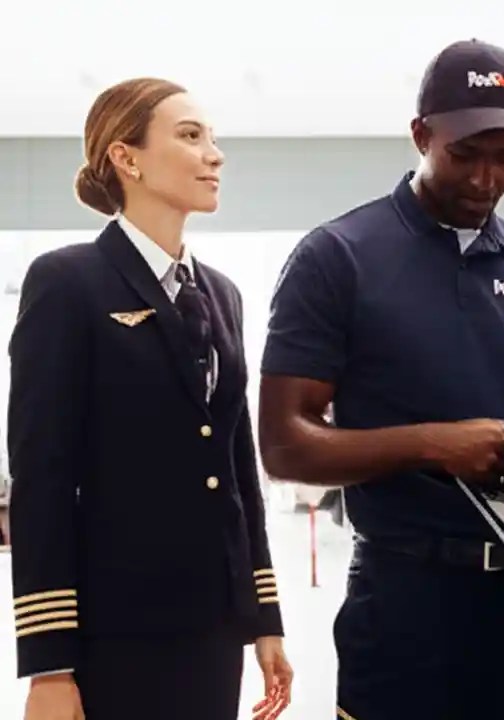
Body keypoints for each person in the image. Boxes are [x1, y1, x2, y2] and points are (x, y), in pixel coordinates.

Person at [257, 39, 504, 720]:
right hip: (404, 601)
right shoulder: (336, 258)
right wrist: (432, 443)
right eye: (465, 154)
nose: (486, 179)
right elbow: (284, 446)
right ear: (422, 135)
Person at [7, 78, 293, 720]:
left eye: (213, 139)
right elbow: (42, 478)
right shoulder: (67, 281)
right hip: (115, 633)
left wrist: (264, 618)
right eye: (191, 136)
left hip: (214, 628)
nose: (214, 154)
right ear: (126, 157)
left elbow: (237, 467)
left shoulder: (222, 294)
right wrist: (49, 666)